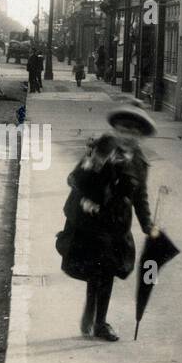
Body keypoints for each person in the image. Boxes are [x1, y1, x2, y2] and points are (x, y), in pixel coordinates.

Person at [56, 105, 160, 342]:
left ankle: (99, 321)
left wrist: (148, 225)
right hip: (91, 221)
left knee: (109, 270)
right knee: (97, 269)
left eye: (135, 132)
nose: (128, 136)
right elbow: (74, 179)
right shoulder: (101, 150)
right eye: (124, 129)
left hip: (117, 223)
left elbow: (140, 196)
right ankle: (92, 314)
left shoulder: (140, 162)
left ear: (141, 136)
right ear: (115, 130)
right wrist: (93, 164)